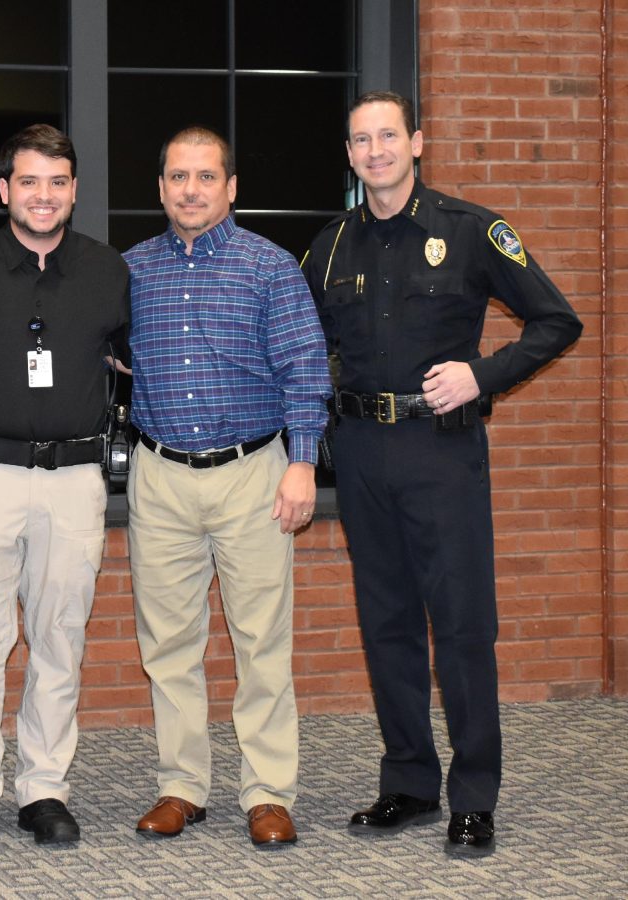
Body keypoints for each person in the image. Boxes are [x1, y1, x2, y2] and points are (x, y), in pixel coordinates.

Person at [301, 91, 582, 857]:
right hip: (359, 452)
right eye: (361, 139)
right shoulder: (327, 247)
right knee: (386, 624)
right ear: (351, 154)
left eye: (388, 135)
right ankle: (409, 783)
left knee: (461, 628)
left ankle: (474, 796)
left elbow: (559, 320)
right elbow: (296, 345)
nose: (375, 150)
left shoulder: (469, 229)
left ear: (416, 142)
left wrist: (483, 375)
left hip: (441, 453)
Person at [126, 126, 331, 849]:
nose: (190, 190)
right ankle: (182, 786)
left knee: (260, 640)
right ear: (160, 188)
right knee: (169, 643)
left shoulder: (270, 267)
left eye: (205, 177)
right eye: (177, 177)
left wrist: (302, 462)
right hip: (160, 476)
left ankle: (269, 792)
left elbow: (306, 370)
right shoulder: (133, 270)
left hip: (253, 474)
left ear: (231, 186)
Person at [0, 124, 130, 848]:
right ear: (4, 191)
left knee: (59, 638)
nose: (43, 196)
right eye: (28, 182)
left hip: (75, 477)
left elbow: (132, 357)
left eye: (57, 182)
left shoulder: (108, 270)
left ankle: (44, 786)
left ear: (74, 190)